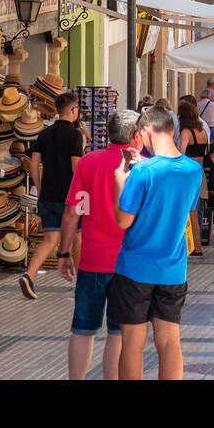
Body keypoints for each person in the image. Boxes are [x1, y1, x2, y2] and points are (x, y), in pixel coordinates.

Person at [109, 105, 201, 380]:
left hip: (135, 267)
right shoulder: (193, 170)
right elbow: (186, 209)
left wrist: (119, 183)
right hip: (173, 269)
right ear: (172, 130)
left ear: (146, 131)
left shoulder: (143, 171)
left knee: (133, 343)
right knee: (170, 340)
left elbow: (123, 220)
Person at [58, 110, 139, 380]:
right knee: (118, 333)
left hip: (92, 258)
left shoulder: (88, 163)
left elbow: (73, 211)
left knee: (83, 328)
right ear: (136, 135)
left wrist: (63, 251)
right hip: (128, 262)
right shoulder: (143, 166)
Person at [22, 91, 83, 299]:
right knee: (76, 237)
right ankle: (81, 282)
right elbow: (76, 166)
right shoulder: (75, 135)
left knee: (49, 240)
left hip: (47, 194)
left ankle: (29, 275)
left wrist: (39, 188)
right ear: (73, 110)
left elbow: (33, 164)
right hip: (70, 197)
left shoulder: (44, 134)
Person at [177, 99, 211, 255]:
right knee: (195, 211)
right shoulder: (203, 132)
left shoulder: (186, 132)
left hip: (187, 174)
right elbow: (205, 153)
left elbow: (181, 153)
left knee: (187, 211)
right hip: (200, 171)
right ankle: (197, 247)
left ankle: (189, 246)